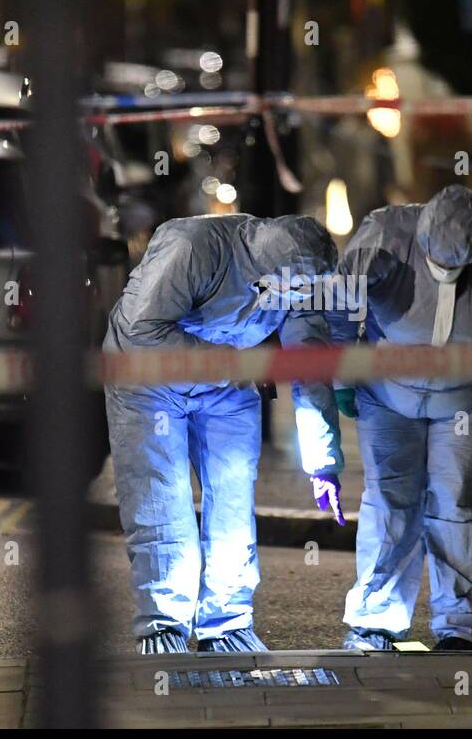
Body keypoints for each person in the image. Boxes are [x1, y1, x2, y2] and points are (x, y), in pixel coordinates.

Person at [104, 214, 345, 654]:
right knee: (161, 499)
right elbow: (143, 333)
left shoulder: (300, 274)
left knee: (233, 500)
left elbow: (308, 364)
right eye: (287, 291)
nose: (295, 301)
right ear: (262, 271)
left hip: (228, 379)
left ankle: (228, 623)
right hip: (148, 379)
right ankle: (163, 626)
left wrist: (323, 461)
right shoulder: (193, 247)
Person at [331, 184, 472, 651]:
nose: (447, 274)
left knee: (460, 504)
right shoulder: (382, 236)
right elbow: (339, 307)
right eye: (439, 265)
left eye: (458, 268)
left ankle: (464, 626)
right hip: (387, 393)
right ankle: (376, 620)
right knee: (389, 502)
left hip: (471, 399)